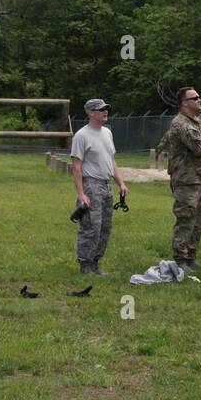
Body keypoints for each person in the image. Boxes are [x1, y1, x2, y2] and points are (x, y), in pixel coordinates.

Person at [155, 87, 201, 271]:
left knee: (198, 220)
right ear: (185, 103)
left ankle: (191, 257)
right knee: (186, 218)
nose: (200, 99)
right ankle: (180, 260)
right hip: (185, 178)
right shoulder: (181, 124)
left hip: (198, 177)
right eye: (195, 97)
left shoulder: (197, 123)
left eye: (199, 96)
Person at [71, 98, 129, 276]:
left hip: (106, 185)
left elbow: (111, 160)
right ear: (90, 113)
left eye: (106, 109)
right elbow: (77, 167)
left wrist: (121, 182)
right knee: (91, 226)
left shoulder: (107, 133)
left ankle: (95, 262)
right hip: (91, 185)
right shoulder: (81, 135)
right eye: (101, 109)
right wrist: (81, 194)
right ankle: (86, 264)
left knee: (105, 227)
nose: (105, 112)